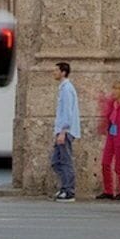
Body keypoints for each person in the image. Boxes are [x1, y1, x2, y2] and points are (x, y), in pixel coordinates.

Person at [96, 77, 120, 201]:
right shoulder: (113, 104)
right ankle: (108, 190)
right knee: (105, 162)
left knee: (119, 165)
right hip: (111, 135)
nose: (113, 92)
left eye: (116, 89)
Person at [49, 59, 80, 200]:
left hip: (65, 131)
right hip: (61, 130)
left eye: (56, 70)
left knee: (65, 161)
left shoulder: (67, 89)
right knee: (56, 161)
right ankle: (64, 187)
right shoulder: (63, 88)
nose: (53, 72)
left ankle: (69, 191)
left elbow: (67, 112)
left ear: (63, 72)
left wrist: (63, 131)